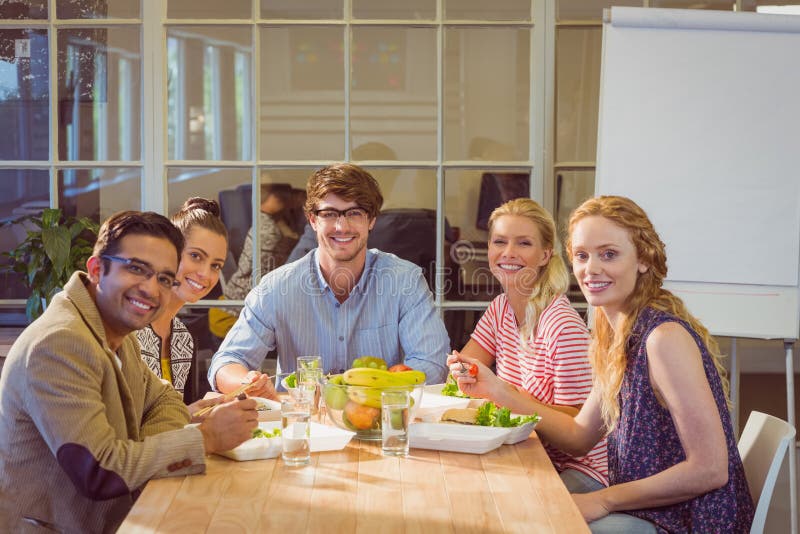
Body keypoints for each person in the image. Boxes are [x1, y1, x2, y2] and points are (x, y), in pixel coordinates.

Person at [451, 196, 754, 532]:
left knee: (534, 524)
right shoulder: (614, 335)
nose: (591, 269)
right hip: (646, 507)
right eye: (582, 256)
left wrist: (602, 499)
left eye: (608, 254)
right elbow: (579, 436)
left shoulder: (663, 338)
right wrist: (497, 391)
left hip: (688, 519)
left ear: (642, 259)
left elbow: (711, 469)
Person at [0, 211, 258, 533]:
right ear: (97, 269)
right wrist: (204, 437)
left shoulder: (115, 333)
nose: (151, 289)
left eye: (164, 278)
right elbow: (100, 470)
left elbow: (165, 399)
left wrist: (134, 449)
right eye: (136, 268)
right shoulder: (59, 342)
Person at [209, 163, 450, 397]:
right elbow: (227, 361)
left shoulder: (405, 281)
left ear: (372, 220)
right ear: (313, 220)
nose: (341, 226)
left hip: (380, 423)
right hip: (303, 429)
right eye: (329, 213)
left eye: (355, 213)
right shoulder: (276, 287)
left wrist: (376, 391)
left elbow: (432, 364)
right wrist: (247, 382)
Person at [447, 198, 607, 490]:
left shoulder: (562, 326)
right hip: (527, 451)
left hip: (580, 468)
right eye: (499, 241)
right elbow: (467, 368)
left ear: (545, 254)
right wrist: (460, 370)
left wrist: (511, 396)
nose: (508, 253)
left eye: (523, 243)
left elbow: (578, 428)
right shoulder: (500, 309)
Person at [138, 198, 228, 401]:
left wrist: (201, 412)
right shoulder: (131, 331)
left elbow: (172, 419)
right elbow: (131, 422)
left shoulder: (182, 338)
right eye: (196, 256)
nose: (205, 273)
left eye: (216, 265)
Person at [224, 183, 299, 300]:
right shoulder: (268, 230)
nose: (291, 205)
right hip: (244, 300)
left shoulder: (263, 220)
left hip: (238, 294)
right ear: (275, 199)